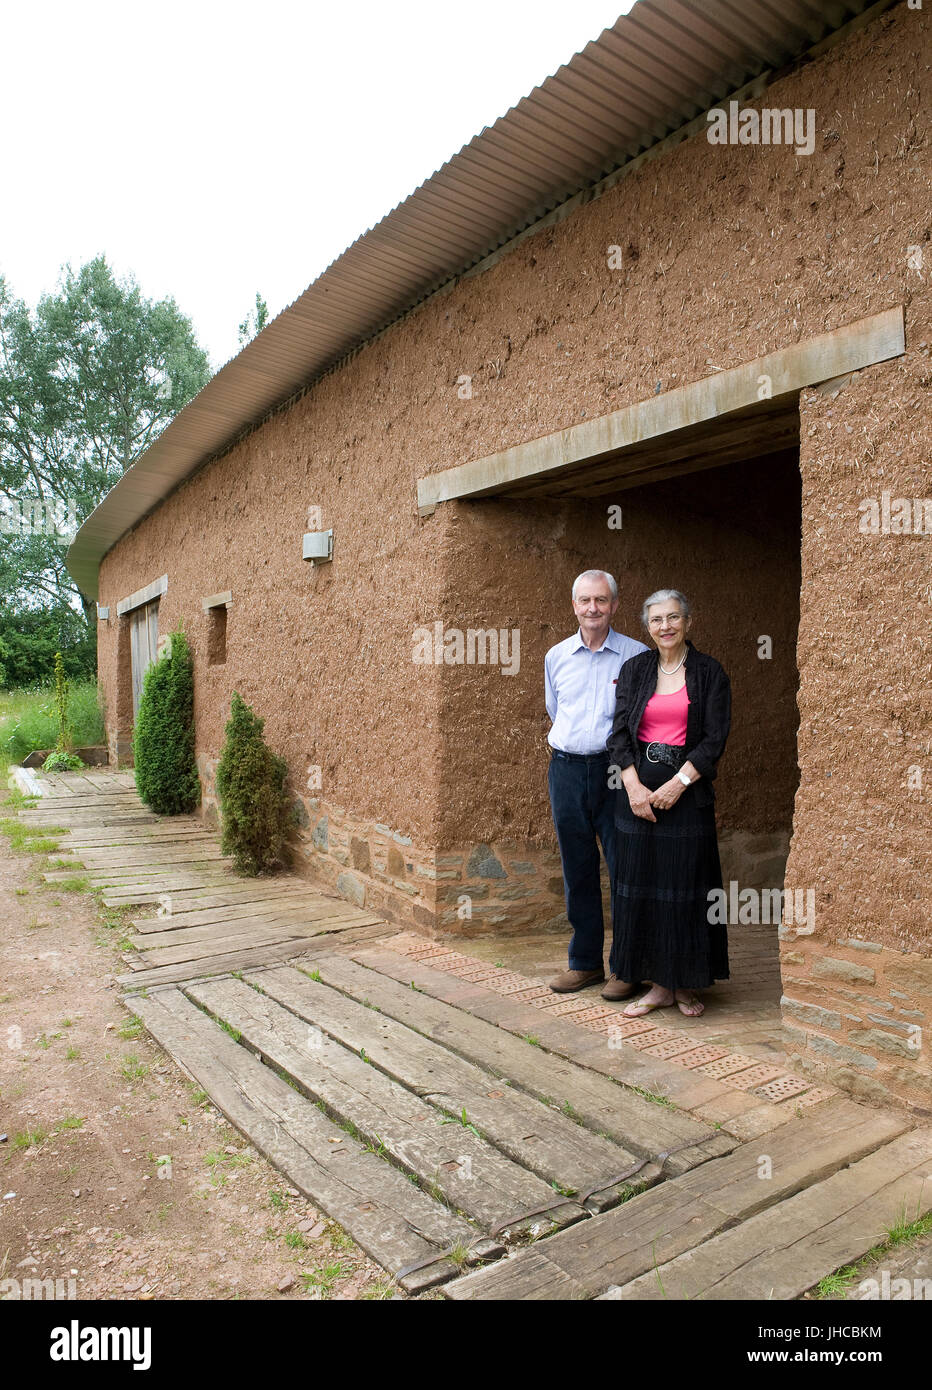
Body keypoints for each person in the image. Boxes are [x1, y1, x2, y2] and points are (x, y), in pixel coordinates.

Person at [606, 589, 731, 1017]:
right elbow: (618, 735)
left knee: (684, 892)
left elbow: (714, 739)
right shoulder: (635, 669)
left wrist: (678, 784)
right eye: (657, 620)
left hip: (687, 799)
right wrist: (633, 788)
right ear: (647, 627)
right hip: (637, 801)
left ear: (688, 622)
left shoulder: (709, 673)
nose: (666, 626)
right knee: (642, 891)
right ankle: (657, 986)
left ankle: (683, 984)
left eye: (674, 617)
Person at [545, 570, 648, 998]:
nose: (593, 608)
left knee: (625, 869)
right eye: (585, 601)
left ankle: (626, 967)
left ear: (615, 605)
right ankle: (584, 963)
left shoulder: (637, 656)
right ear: (574, 605)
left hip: (617, 772)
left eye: (601, 600)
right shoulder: (556, 656)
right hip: (566, 770)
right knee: (578, 868)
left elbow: (641, 721)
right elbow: (556, 710)